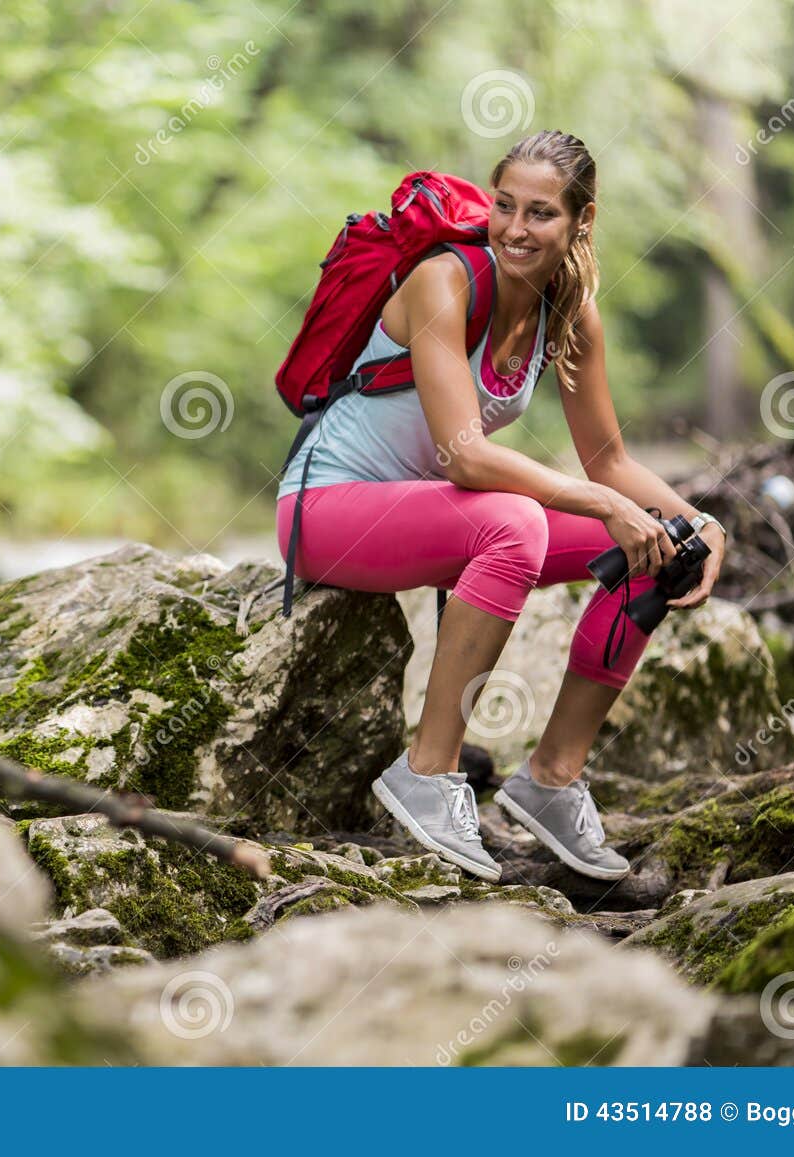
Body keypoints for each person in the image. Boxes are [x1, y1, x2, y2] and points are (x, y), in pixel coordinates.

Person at [275, 131, 729, 882]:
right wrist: (601, 503)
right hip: (324, 509)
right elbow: (466, 456)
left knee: (663, 546)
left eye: (541, 213)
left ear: (581, 223)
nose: (516, 228)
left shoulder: (571, 315)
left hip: (422, 512)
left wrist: (701, 524)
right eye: (505, 205)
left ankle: (551, 779)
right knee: (513, 522)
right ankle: (429, 769)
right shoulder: (444, 282)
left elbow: (609, 460)